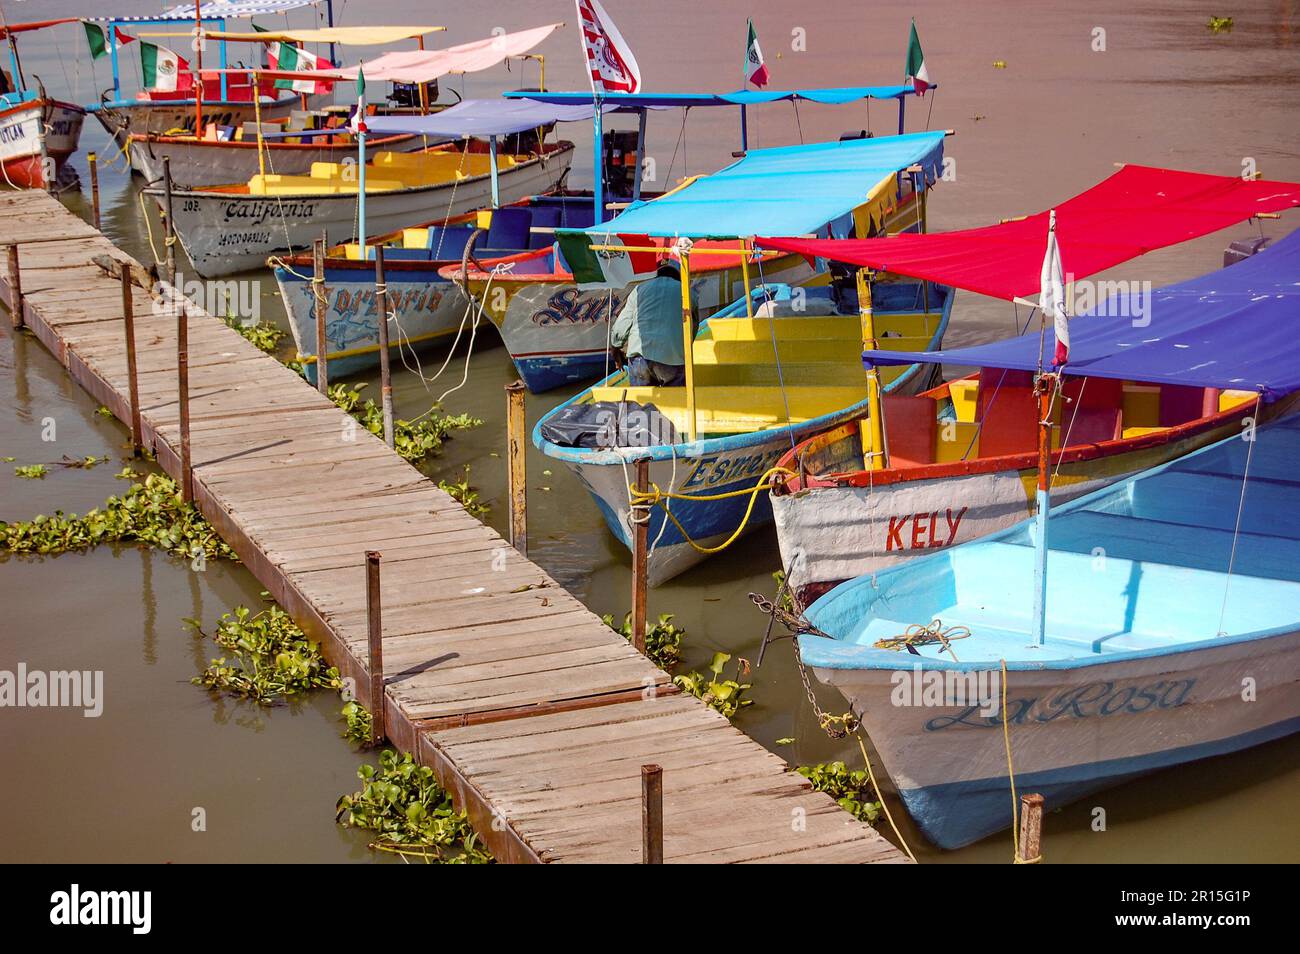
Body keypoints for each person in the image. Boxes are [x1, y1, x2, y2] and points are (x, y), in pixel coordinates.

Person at [610, 255, 688, 387]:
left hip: (639, 358)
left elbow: (620, 329)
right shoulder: (687, 292)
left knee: (640, 407)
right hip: (673, 359)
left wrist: (615, 352)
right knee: (675, 404)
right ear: (678, 275)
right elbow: (691, 329)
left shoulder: (639, 290)